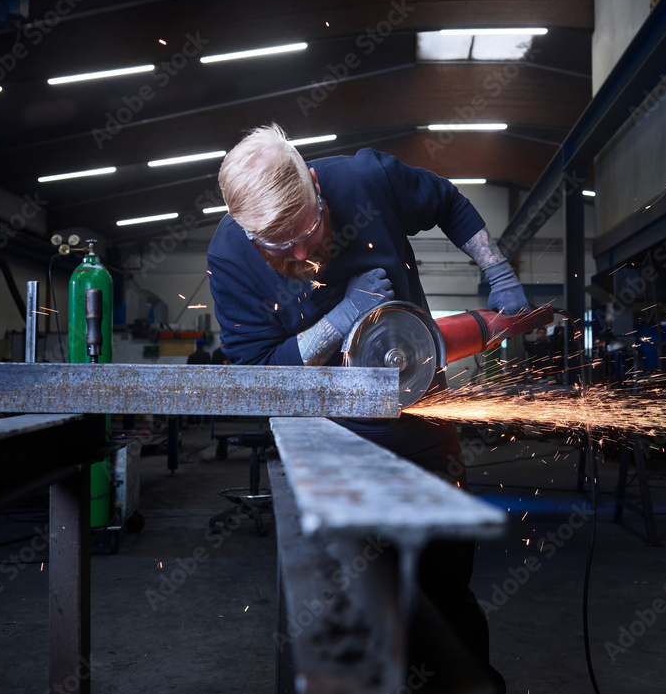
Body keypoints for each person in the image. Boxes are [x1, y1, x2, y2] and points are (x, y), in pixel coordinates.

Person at [207, 124, 531, 693]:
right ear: (246, 229)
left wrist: (497, 271)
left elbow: (449, 202)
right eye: (281, 246)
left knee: (447, 600)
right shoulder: (231, 256)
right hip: (326, 451)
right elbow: (260, 376)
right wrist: (340, 318)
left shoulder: (365, 179)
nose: (303, 252)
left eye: (309, 228)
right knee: (351, 612)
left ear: (313, 183)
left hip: (422, 426)